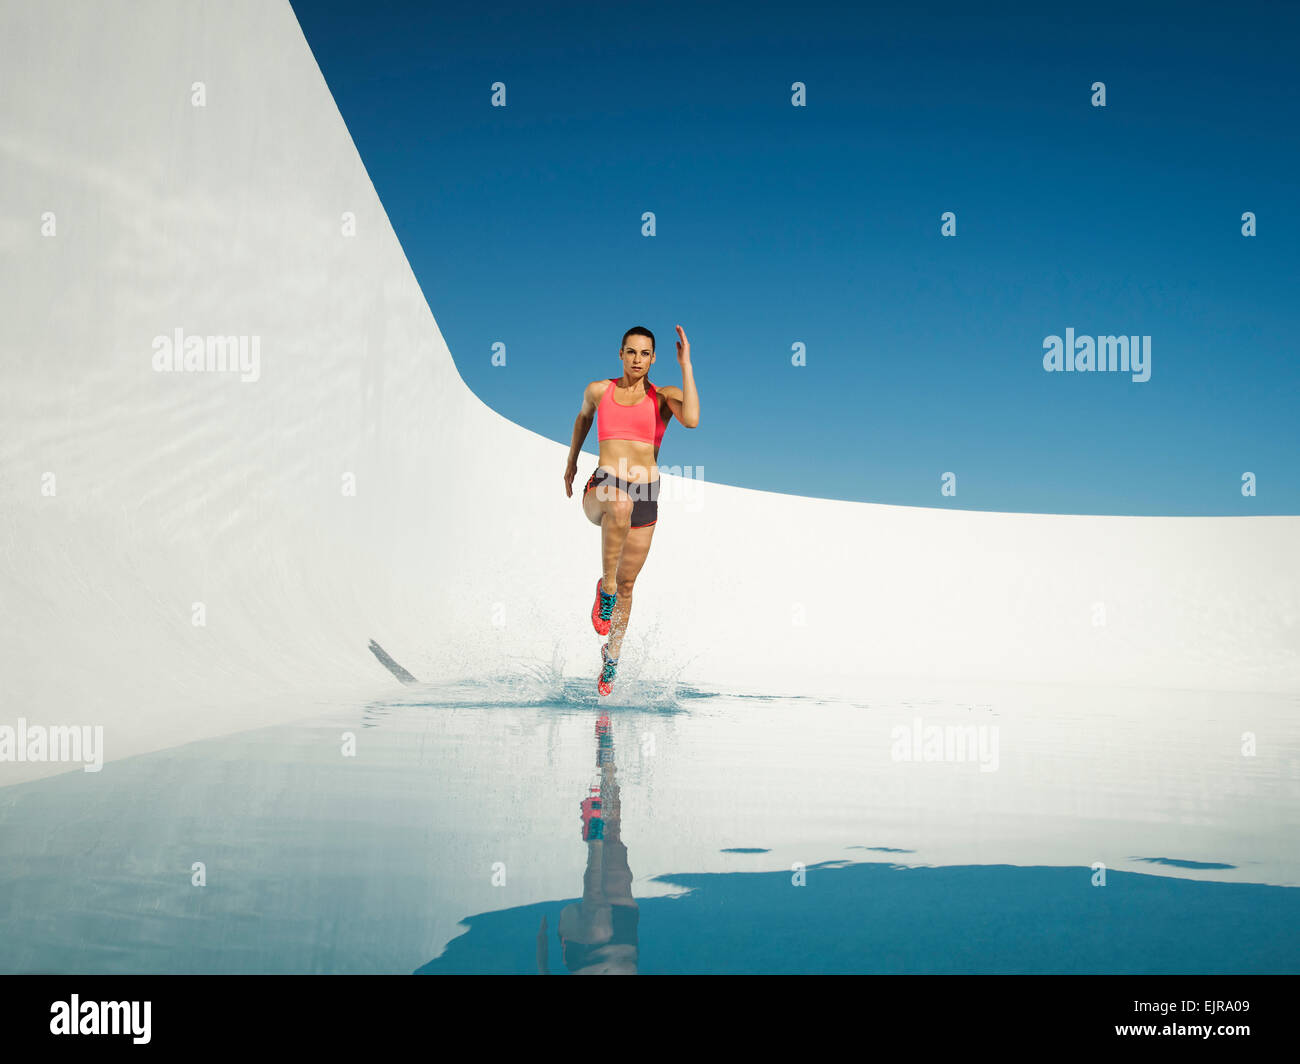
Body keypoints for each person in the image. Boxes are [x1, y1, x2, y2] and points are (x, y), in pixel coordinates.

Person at [563, 325, 700, 695]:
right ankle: (603, 588)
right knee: (619, 503)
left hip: (647, 494)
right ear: (621, 354)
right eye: (631, 352)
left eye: (645, 354)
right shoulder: (598, 390)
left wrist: (685, 364)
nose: (637, 360)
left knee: (629, 585)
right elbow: (583, 418)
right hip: (604, 488)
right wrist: (571, 463)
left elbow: (692, 420)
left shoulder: (662, 397)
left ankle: (611, 660)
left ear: (654, 358)